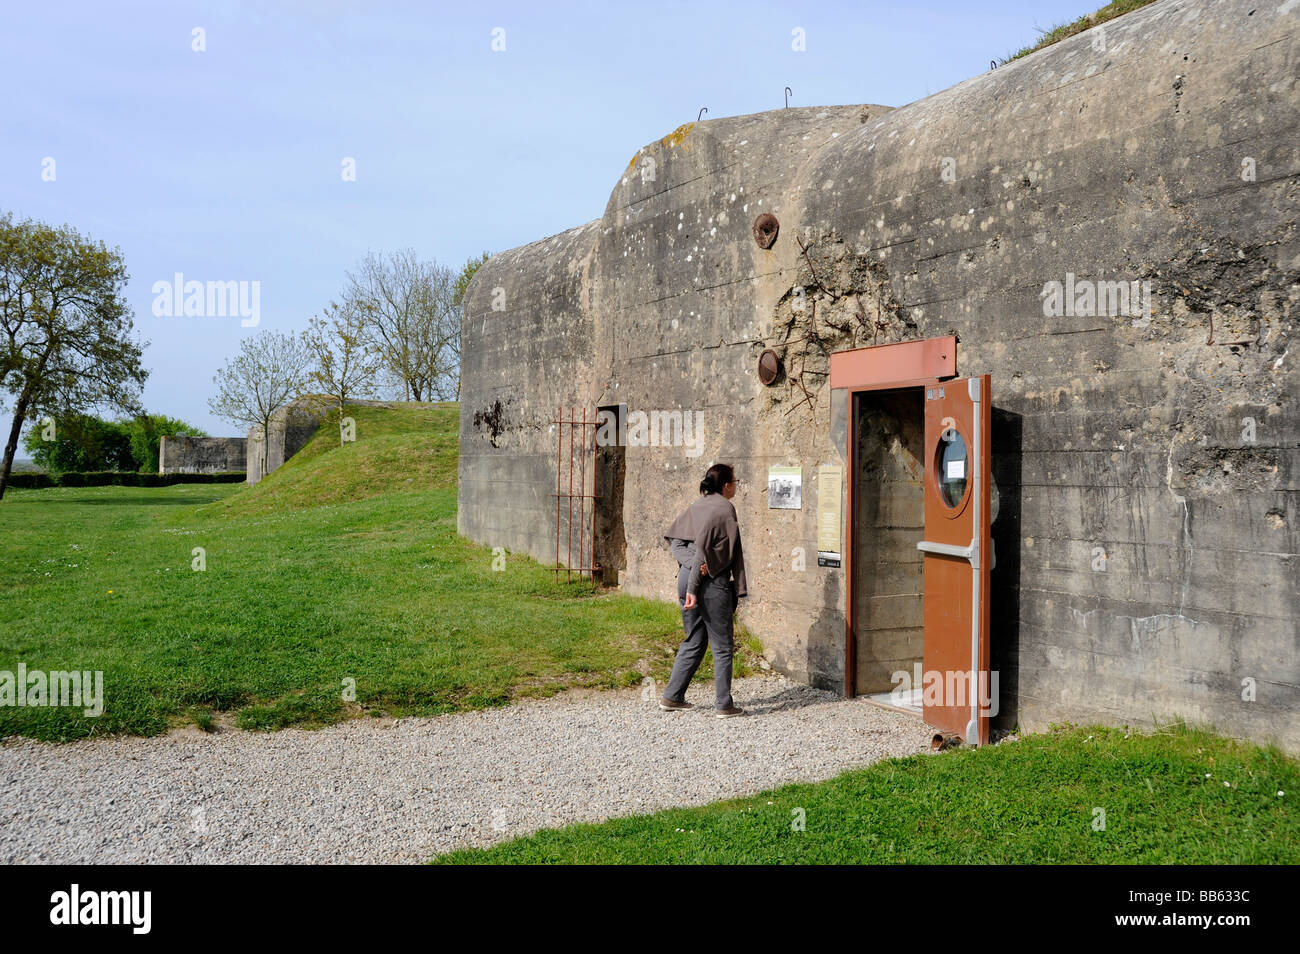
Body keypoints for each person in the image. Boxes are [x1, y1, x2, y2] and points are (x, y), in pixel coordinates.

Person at [659, 463, 748, 718]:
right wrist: (702, 568)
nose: (736, 486)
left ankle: (672, 696)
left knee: (694, 639)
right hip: (710, 583)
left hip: (686, 578)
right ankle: (724, 705)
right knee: (722, 645)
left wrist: (691, 567)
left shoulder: (697, 506)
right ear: (727, 485)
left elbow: (677, 543)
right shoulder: (725, 510)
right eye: (735, 482)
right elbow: (707, 552)